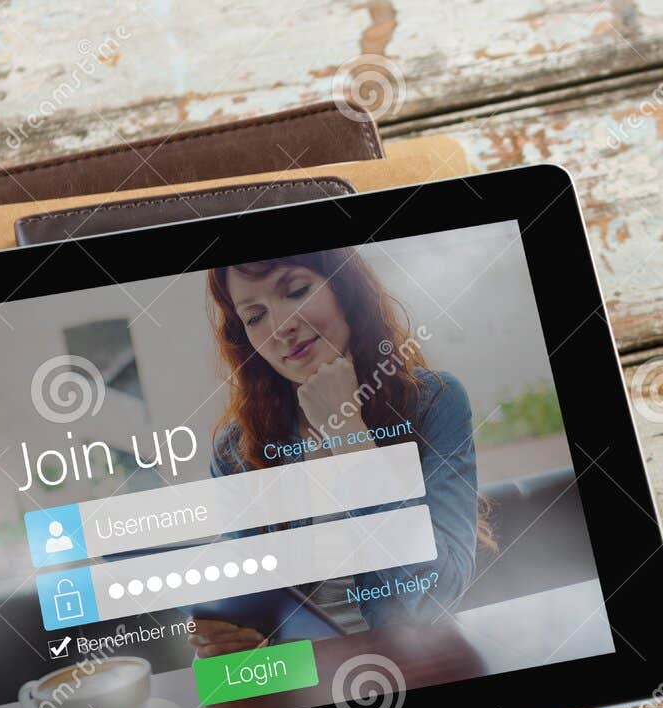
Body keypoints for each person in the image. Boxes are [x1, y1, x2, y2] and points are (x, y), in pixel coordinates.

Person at [190, 248, 480, 658]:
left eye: (296, 291)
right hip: (302, 685)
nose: (281, 327)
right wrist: (224, 640)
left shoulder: (433, 402)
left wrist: (346, 433)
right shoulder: (236, 450)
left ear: (344, 287)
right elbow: (250, 612)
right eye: (254, 317)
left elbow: (438, 595)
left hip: (417, 667)